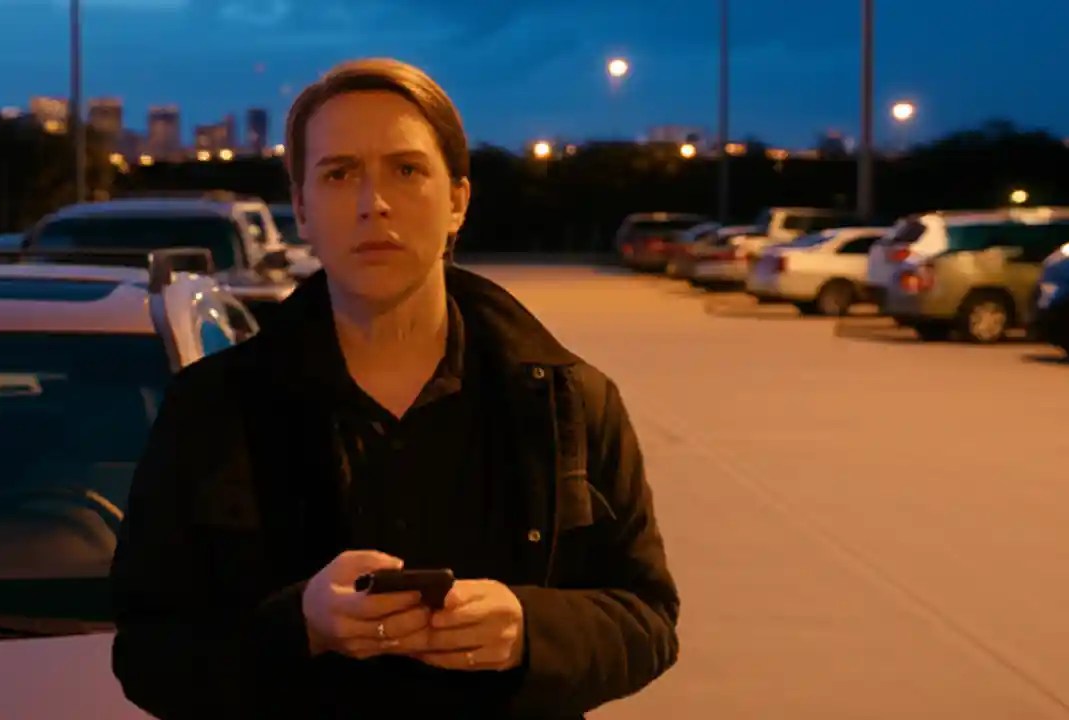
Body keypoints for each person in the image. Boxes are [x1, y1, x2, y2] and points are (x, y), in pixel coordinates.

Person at [109, 57, 680, 720]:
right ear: (301, 207)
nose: (371, 203)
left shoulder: (569, 400)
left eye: (406, 170)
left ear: (457, 202)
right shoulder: (213, 408)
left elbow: (648, 619)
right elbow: (148, 652)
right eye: (339, 172)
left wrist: (530, 627)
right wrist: (300, 627)